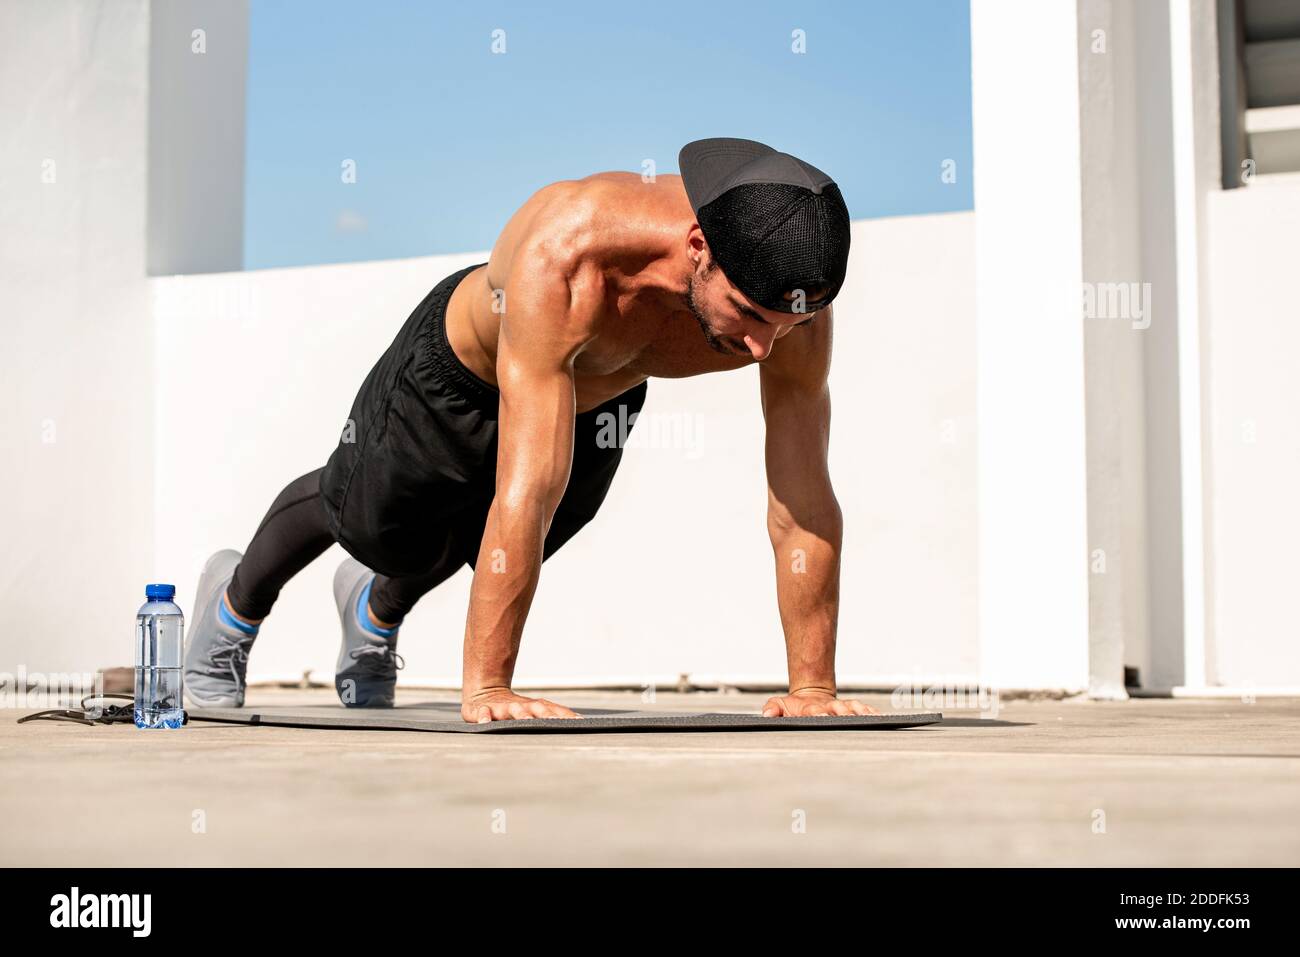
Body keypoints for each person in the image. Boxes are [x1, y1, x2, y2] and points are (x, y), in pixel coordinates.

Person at [183, 137, 875, 723]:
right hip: (458, 375)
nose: (764, 346)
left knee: (495, 541)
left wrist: (811, 687)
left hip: (597, 395)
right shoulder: (572, 252)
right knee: (371, 519)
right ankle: (234, 605)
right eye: (749, 315)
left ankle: (372, 610)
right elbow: (530, 484)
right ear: (699, 247)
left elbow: (803, 499)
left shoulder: (793, 310)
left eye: (785, 325)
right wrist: (489, 687)